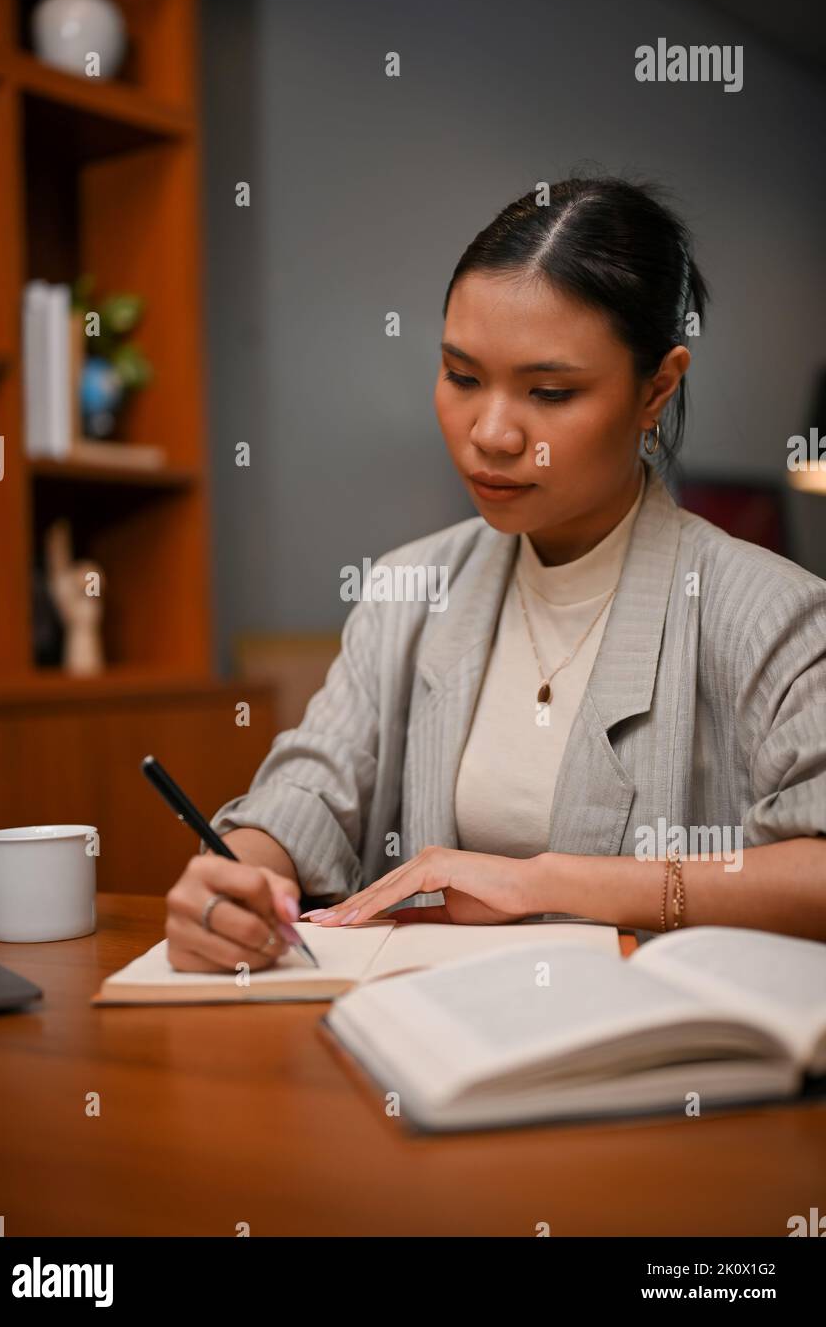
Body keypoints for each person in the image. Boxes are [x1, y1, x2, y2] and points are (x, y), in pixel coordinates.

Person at [165, 175, 826, 973]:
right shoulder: (411, 588)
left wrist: (550, 883)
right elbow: (312, 788)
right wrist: (241, 875)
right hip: (429, 1044)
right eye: (462, 377)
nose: (493, 433)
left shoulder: (768, 613)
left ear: (657, 388)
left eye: (550, 391)